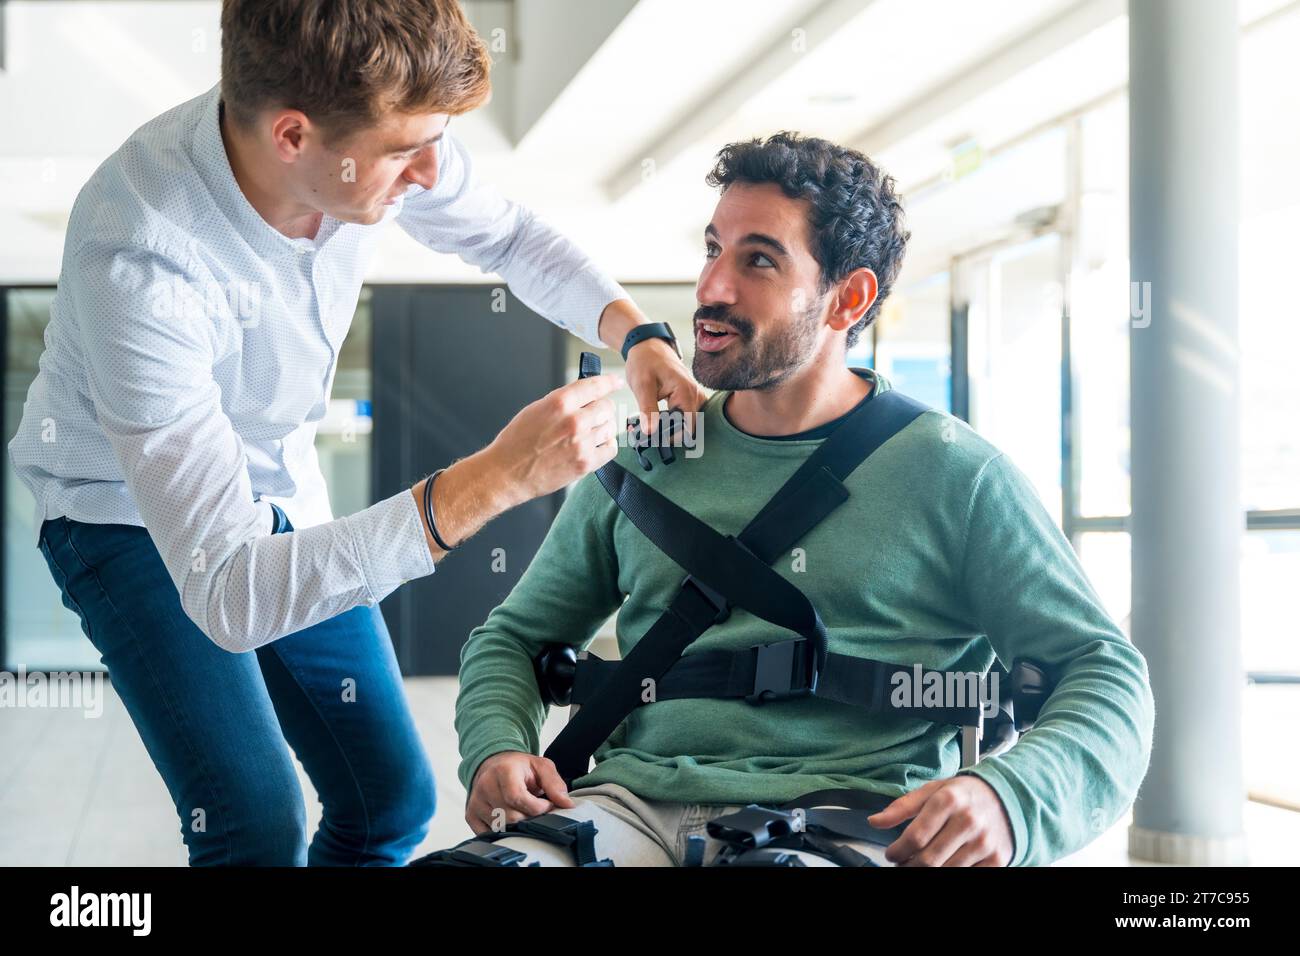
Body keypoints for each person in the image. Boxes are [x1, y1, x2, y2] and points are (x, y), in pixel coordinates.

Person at [6, 0, 704, 866]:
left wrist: (636, 334)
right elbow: (230, 592)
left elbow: (513, 236)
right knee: (252, 824)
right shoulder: (142, 261)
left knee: (389, 800)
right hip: (123, 517)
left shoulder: (378, 142)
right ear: (293, 136)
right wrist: (492, 481)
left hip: (279, 492)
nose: (429, 172)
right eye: (405, 152)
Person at [442, 132, 1155, 867]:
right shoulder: (646, 460)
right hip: (623, 807)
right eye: (712, 249)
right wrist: (497, 746)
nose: (712, 288)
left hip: (846, 812)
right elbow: (514, 639)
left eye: (758, 260)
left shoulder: (956, 475)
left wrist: (1011, 798)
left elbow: (1104, 674)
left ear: (848, 297)